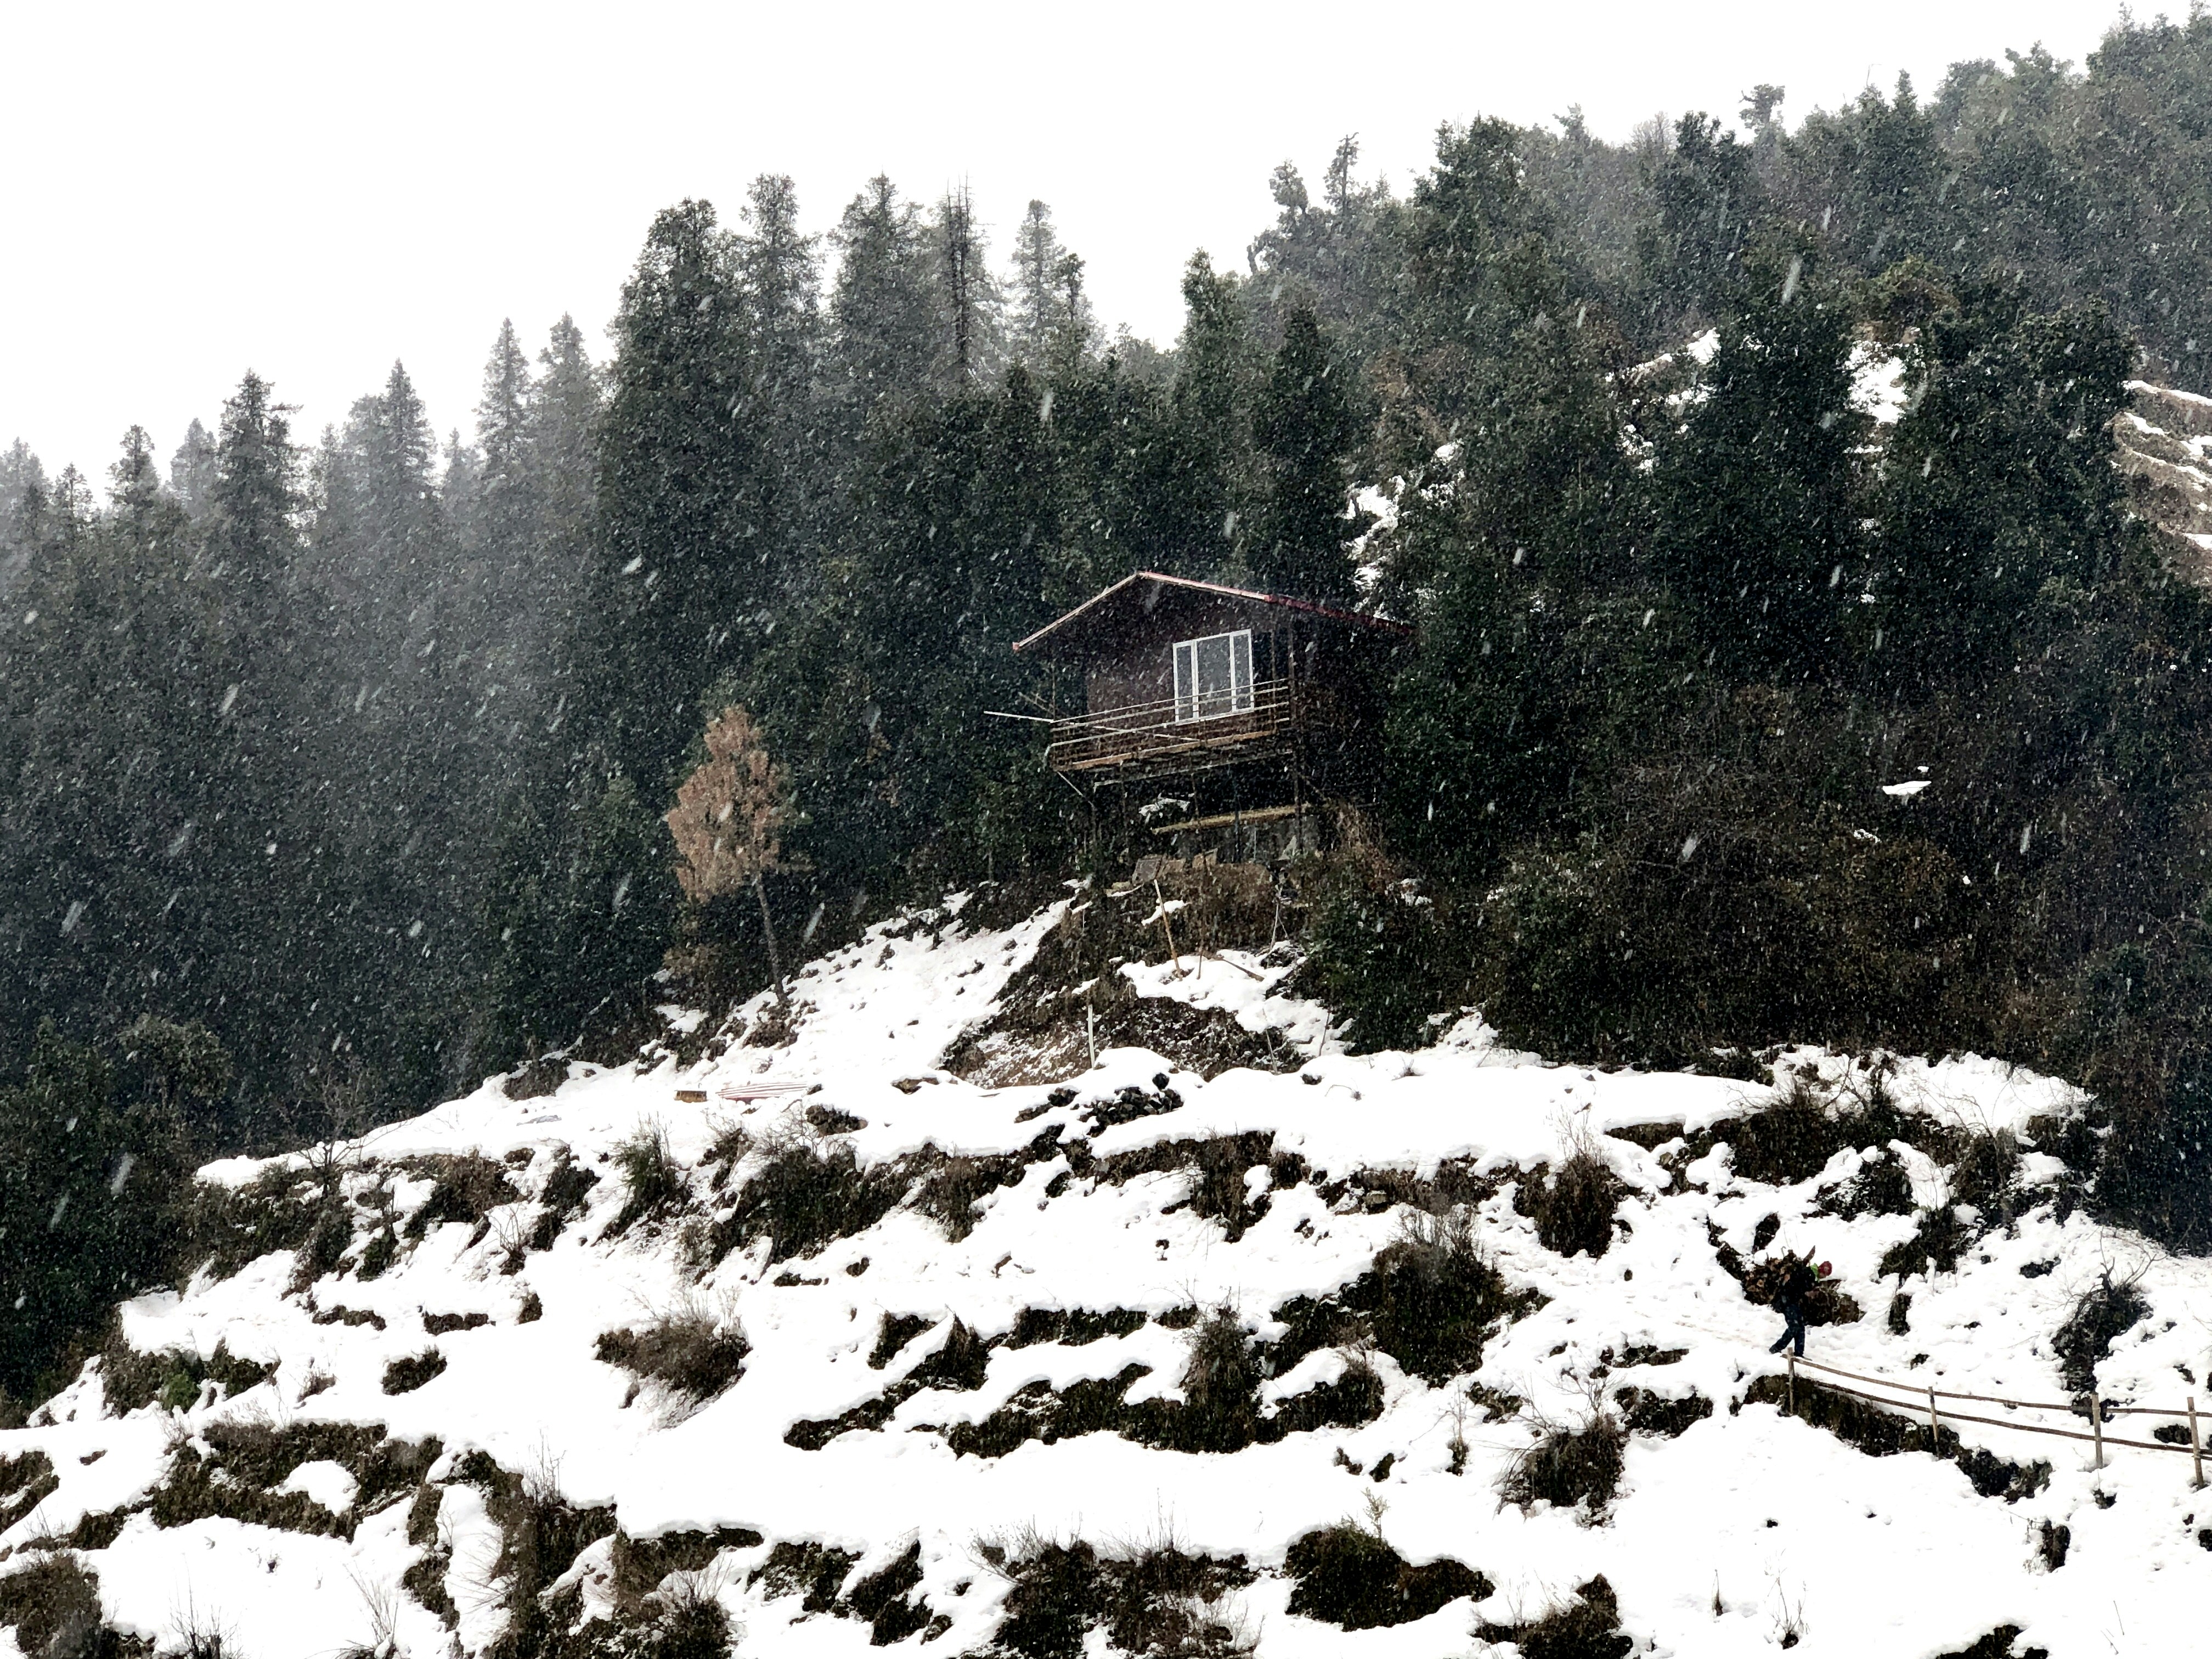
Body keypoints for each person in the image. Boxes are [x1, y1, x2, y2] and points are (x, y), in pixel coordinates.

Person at [1767, 1256, 1833, 1358]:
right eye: (1825, 1274)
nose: (1824, 1277)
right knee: (1794, 1326)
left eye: (1827, 1275)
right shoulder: (1807, 1273)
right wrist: (1807, 1292)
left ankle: (1799, 1353)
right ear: (1821, 1270)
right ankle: (1776, 1348)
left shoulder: (1813, 1277)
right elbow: (1794, 1286)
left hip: (1793, 1301)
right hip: (1786, 1300)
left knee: (1801, 1327)